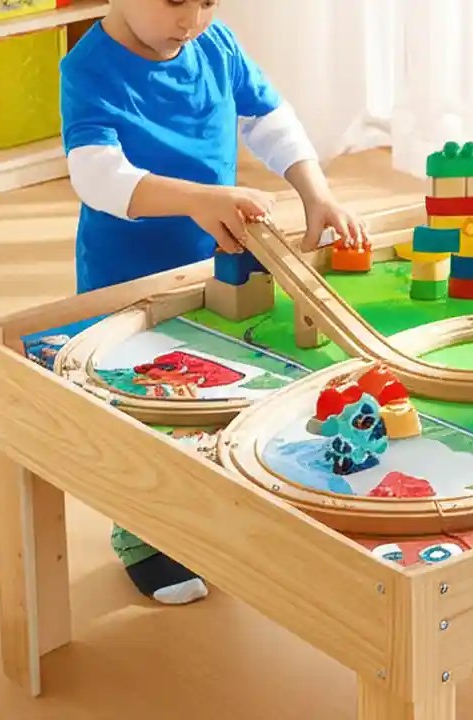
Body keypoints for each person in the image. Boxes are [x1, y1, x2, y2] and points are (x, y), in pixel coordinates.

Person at [59, 0, 369, 604]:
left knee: (216, 389)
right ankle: (142, 534)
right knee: (142, 409)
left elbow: (269, 118)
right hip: (129, 279)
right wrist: (200, 198)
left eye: (208, 2)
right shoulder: (89, 67)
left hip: (214, 264)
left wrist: (317, 193)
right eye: (177, 1)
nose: (193, 20)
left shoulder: (216, 46)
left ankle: (211, 508)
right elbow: (97, 176)